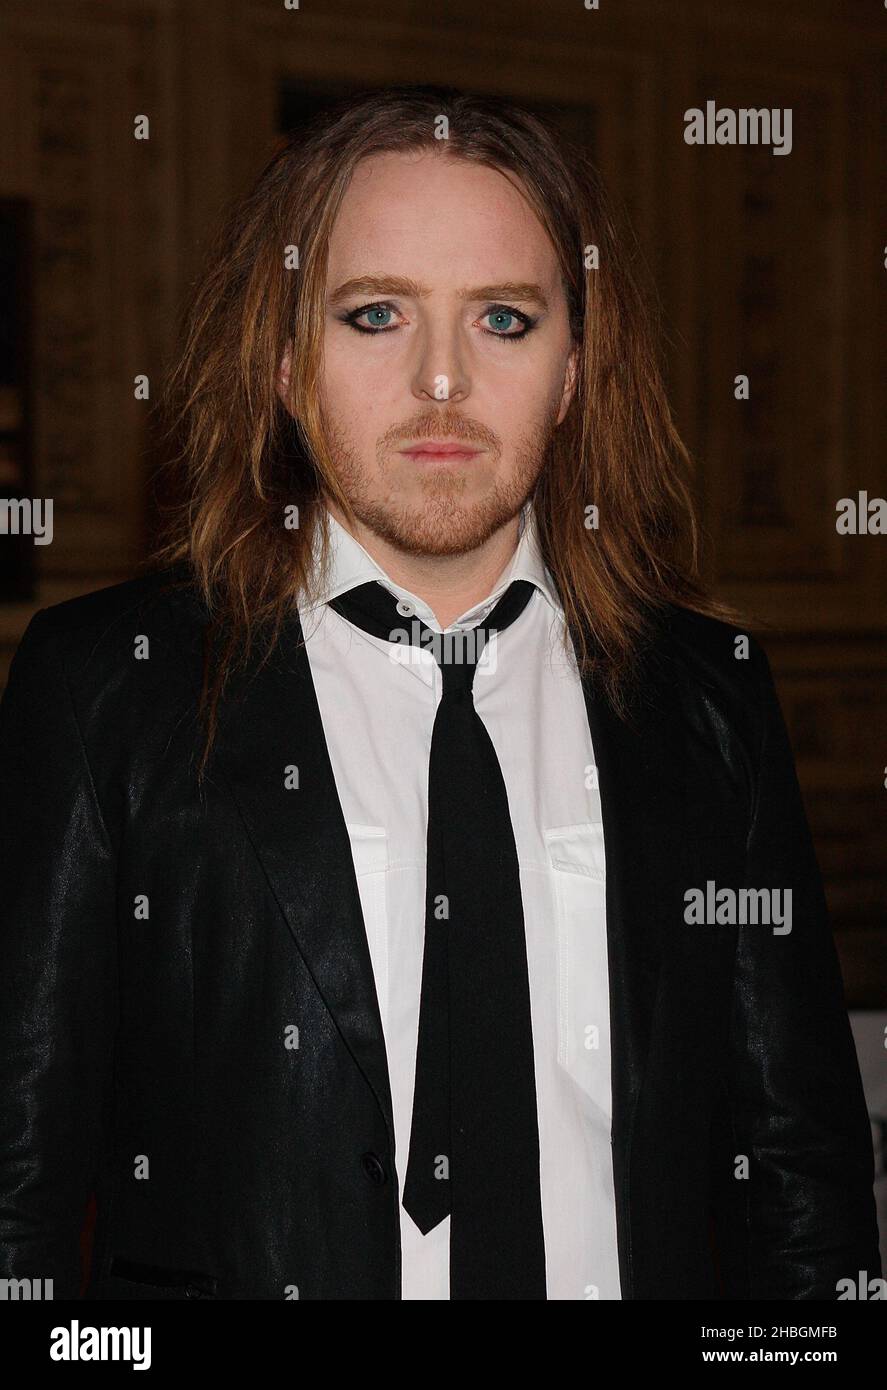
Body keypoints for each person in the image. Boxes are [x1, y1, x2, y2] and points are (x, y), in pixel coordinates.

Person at [0, 85, 879, 1301]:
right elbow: (19, 1193)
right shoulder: (105, 689)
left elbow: (799, 1179)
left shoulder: (708, 701)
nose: (443, 382)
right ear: (281, 359)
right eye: (373, 315)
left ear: (574, 368)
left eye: (504, 320)